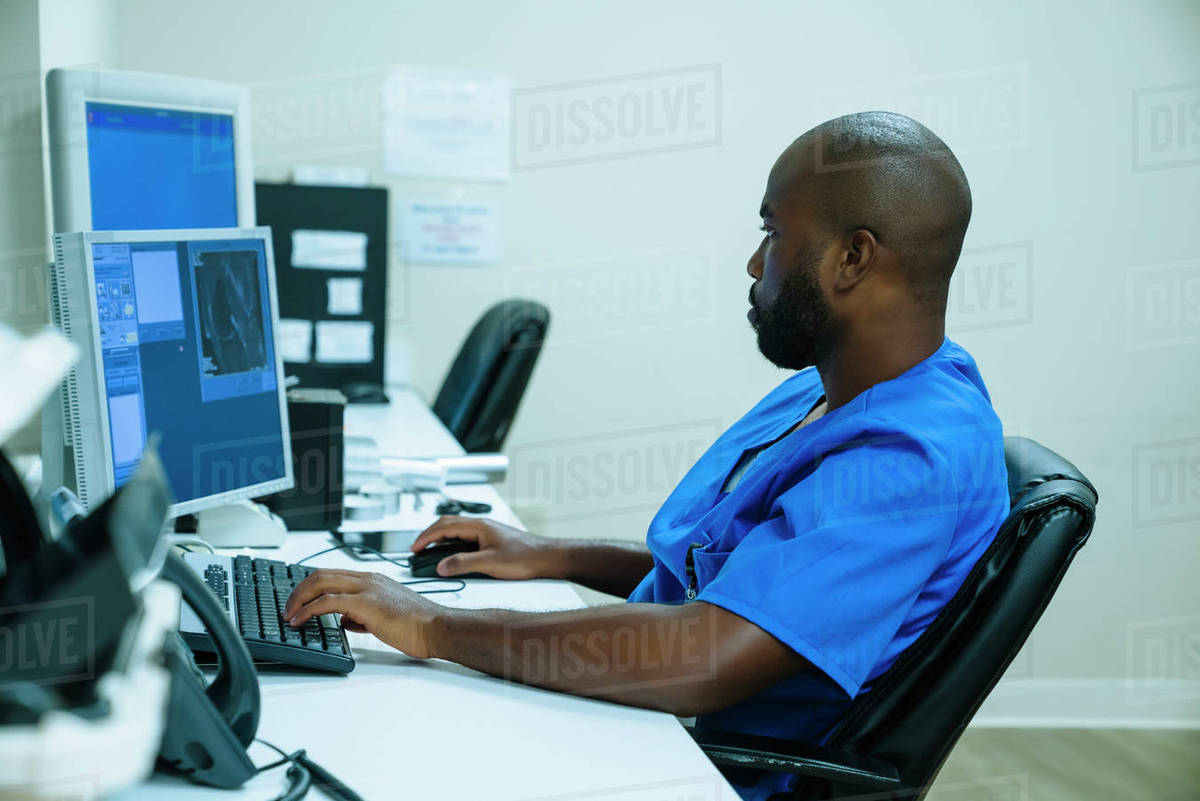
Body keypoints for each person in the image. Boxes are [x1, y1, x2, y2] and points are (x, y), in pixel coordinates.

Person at [285, 111, 1010, 800]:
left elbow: (707, 654)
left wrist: (430, 626)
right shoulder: (840, 390)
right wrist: (551, 554)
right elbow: (731, 573)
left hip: (697, 763)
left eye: (773, 233)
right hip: (652, 719)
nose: (755, 262)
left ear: (853, 257)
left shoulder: (908, 458)